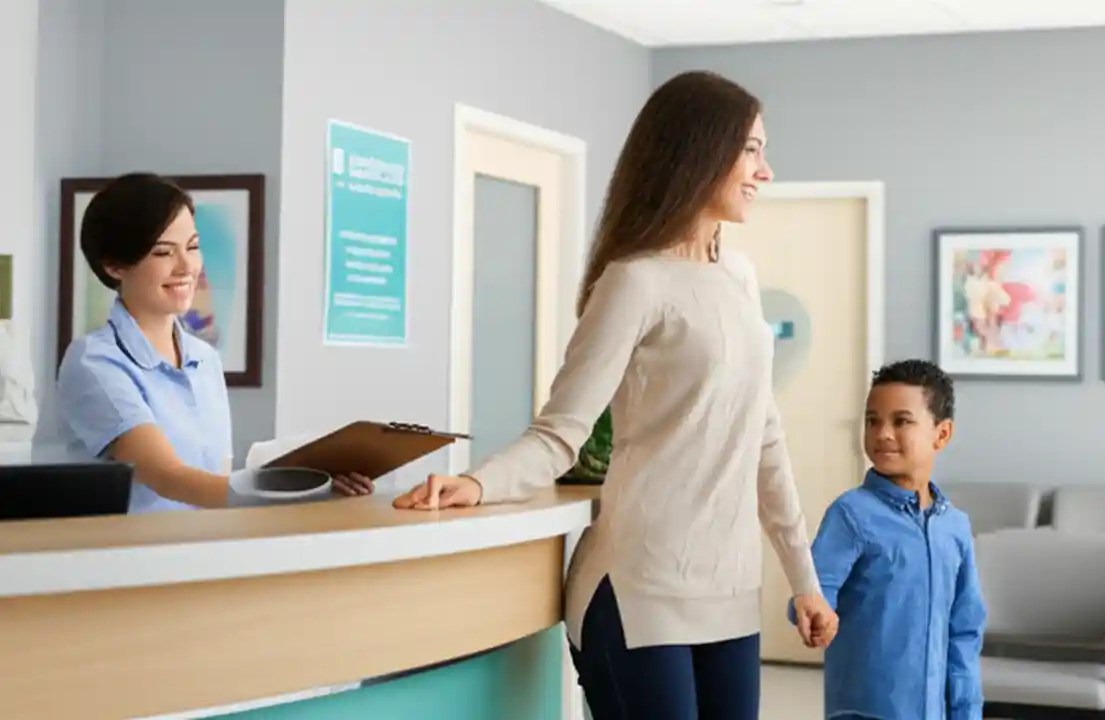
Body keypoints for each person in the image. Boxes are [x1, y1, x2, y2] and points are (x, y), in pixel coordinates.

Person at [393, 71, 837, 719]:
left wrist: (806, 583)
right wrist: (478, 484)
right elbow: (558, 434)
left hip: (732, 592)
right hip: (640, 591)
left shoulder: (740, 279)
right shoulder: (634, 283)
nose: (764, 171)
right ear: (700, 151)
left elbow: (765, 439)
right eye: (751, 150)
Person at [50, 173, 373, 513]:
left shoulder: (204, 359)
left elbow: (216, 481)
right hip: (131, 560)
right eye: (163, 253)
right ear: (114, 266)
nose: (187, 267)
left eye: (192, 246)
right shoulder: (94, 362)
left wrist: (316, 478)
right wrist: (290, 492)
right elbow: (168, 477)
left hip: (208, 554)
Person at [791, 359, 986, 719]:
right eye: (872, 421)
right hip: (864, 711)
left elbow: (965, 629)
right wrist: (816, 613)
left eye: (901, 421)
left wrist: (965, 709)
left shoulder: (955, 527)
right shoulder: (851, 514)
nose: (882, 433)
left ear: (941, 434)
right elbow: (815, 591)